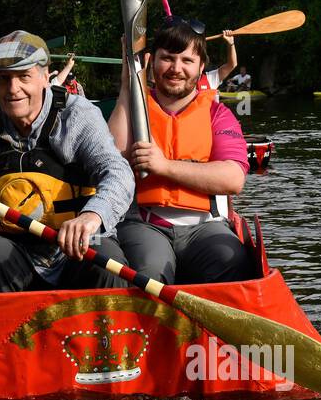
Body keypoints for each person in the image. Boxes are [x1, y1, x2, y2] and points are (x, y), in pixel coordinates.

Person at [0, 30, 135, 294]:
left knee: (108, 263)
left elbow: (119, 174)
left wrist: (92, 216)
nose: (13, 89)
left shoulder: (79, 115)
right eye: (4, 79)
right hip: (10, 244)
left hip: (82, 240)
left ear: (44, 76)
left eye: (23, 76)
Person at [108, 19, 255, 286]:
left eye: (187, 60)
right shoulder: (132, 108)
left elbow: (233, 179)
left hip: (207, 227)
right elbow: (110, 163)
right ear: (152, 62)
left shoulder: (217, 114)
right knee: (149, 270)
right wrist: (128, 86)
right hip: (144, 224)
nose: (176, 69)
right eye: (168, 58)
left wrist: (164, 167)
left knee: (231, 260)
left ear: (201, 68)